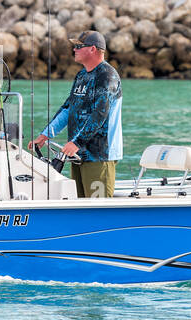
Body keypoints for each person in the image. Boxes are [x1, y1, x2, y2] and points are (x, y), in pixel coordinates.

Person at [29, 30, 122, 198]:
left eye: (79, 46)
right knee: (80, 205)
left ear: (93, 49)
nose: (74, 50)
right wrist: (45, 134)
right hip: (78, 154)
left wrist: (77, 142)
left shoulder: (107, 76)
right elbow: (68, 108)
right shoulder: (81, 76)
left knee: (97, 208)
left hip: (99, 155)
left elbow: (100, 113)